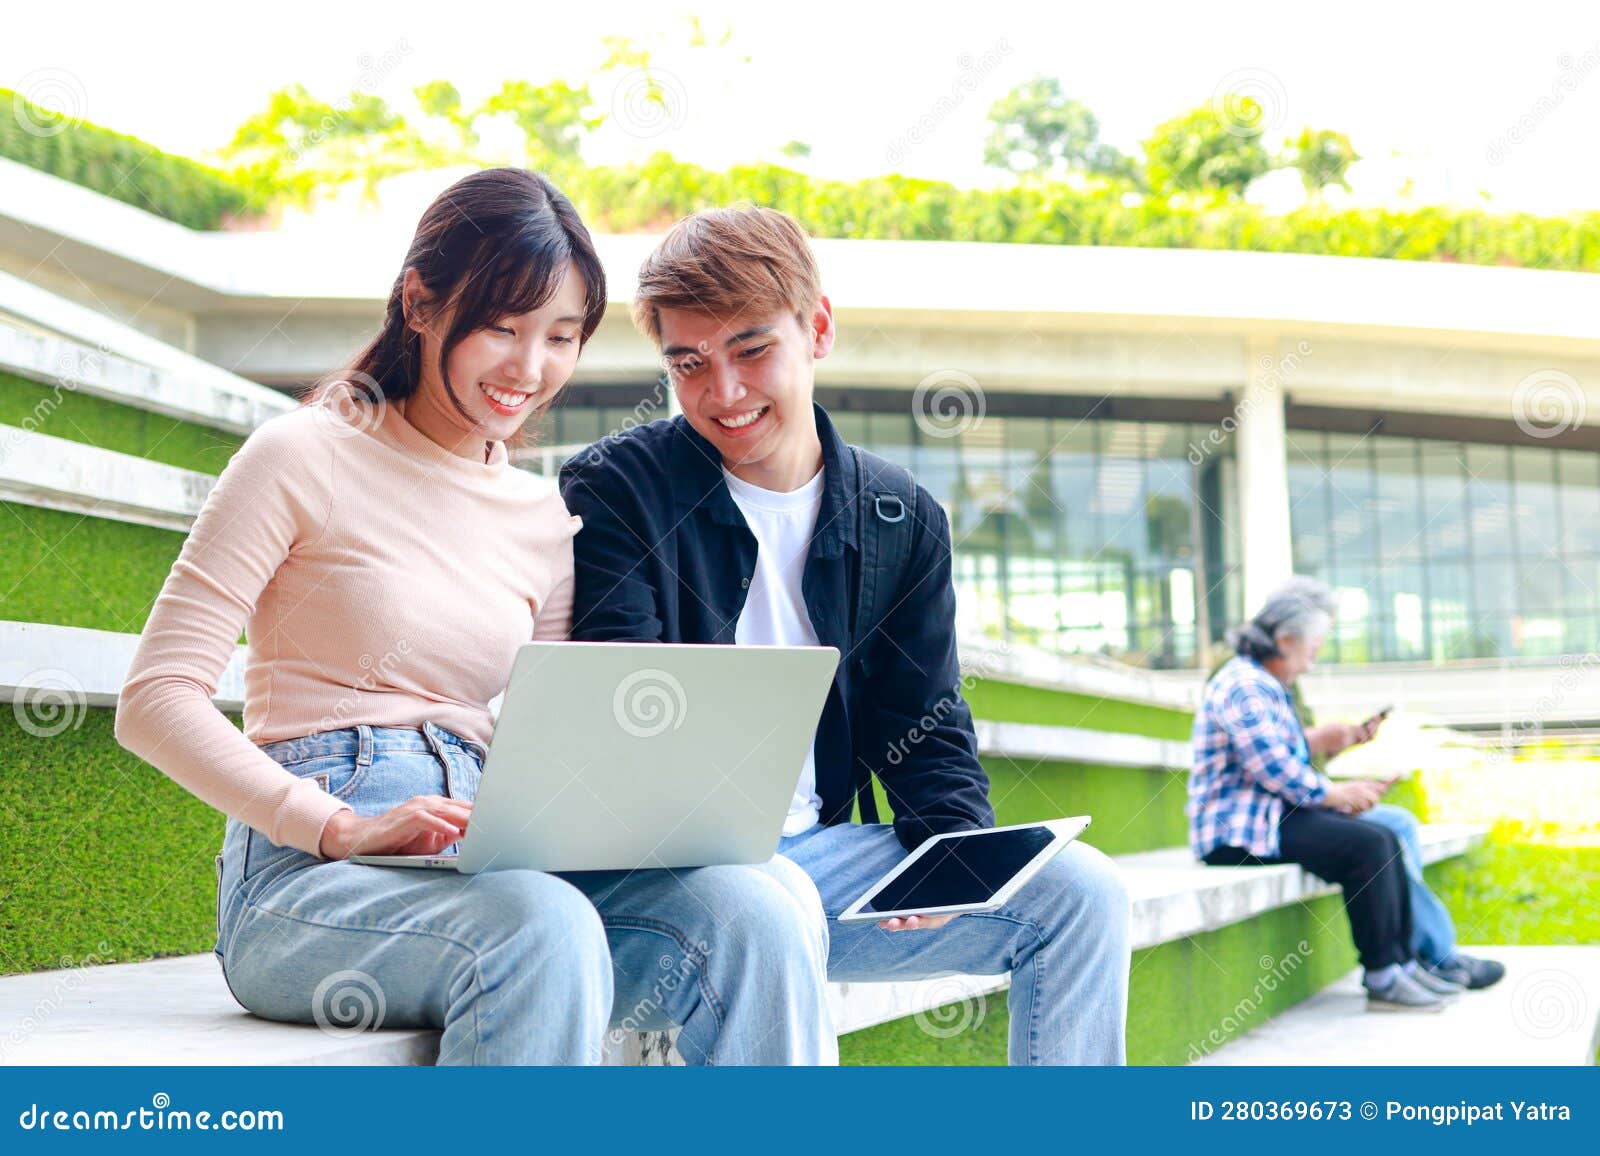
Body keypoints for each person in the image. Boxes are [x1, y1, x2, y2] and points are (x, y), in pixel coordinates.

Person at [115, 169, 835, 1065]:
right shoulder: (302, 455)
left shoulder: (541, 518)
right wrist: (337, 826)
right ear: (421, 302)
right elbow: (154, 698)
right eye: (503, 327)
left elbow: (563, 742)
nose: (529, 370)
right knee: (539, 927)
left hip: (486, 849)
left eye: (561, 337)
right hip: (312, 873)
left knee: (756, 914)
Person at [559, 205, 1131, 1065]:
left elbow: (925, 720)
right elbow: (625, 711)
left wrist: (952, 851)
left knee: (1084, 894)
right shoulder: (619, 489)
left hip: (818, 860)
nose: (723, 393)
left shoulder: (898, 517)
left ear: (816, 328)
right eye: (689, 363)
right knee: (770, 898)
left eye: (752, 351)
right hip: (679, 878)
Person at [1189, 577, 1463, 1012]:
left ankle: (1404, 966)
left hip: (1271, 818)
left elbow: (1286, 760)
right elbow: (1273, 766)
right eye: (1311, 652)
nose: (1310, 665)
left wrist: (1344, 779)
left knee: (1383, 838)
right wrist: (1335, 794)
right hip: (1238, 833)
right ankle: (1384, 976)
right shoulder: (1244, 685)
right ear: (1284, 640)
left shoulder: (1264, 683)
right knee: (1369, 845)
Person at [1296, 699, 1506, 990]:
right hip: (1283, 811)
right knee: (1376, 839)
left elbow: (1297, 762)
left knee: (1401, 823)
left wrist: (1346, 742)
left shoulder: (1285, 684)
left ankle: (1422, 952)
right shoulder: (1250, 681)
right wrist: (1332, 787)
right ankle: (1428, 958)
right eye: (1310, 648)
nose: (1315, 650)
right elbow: (1268, 761)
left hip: (1309, 799)